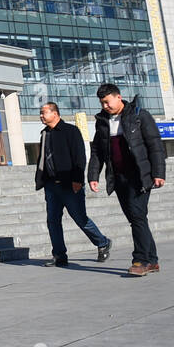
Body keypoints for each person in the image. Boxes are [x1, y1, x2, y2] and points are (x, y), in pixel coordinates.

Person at [86, 83, 166, 276]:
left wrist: (159, 173)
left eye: (107, 101)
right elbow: (97, 150)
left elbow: (155, 145)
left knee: (137, 217)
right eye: (102, 103)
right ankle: (153, 260)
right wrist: (93, 175)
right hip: (118, 177)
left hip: (139, 176)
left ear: (118, 97)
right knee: (137, 219)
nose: (105, 106)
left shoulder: (139, 116)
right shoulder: (102, 121)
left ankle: (140, 260)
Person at [36, 103, 111, 267]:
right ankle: (59, 255)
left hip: (70, 185)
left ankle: (102, 242)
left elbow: (79, 157)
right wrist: (41, 179)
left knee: (80, 218)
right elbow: (42, 158)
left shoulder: (71, 131)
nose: (41, 116)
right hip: (51, 186)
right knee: (53, 221)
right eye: (40, 113)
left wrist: (77, 180)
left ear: (55, 113)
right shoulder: (44, 134)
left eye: (44, 113)